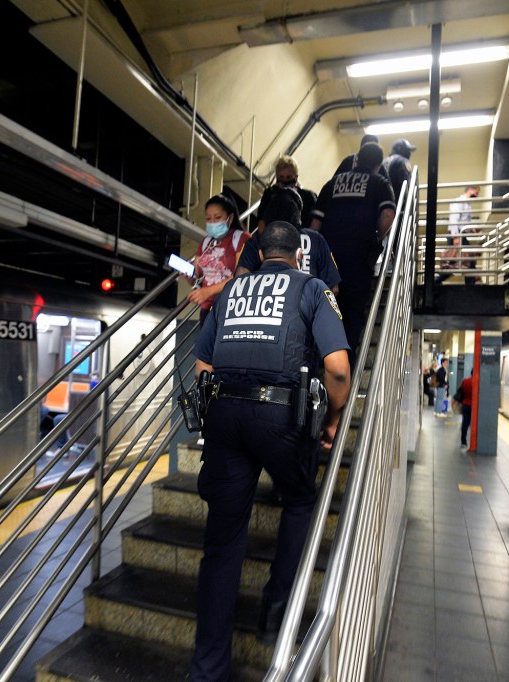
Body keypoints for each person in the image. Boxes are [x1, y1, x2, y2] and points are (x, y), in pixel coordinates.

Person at [191, 221, 350, 681]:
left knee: (221, 545)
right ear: (297, 255)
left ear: (258, 253)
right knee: (300, 501)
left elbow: (203, 364)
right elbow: (338, 370)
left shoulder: (232, 291)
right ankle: (275, 613)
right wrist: (334, 418)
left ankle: (207, 670)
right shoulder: (312, 288)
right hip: (282, 420)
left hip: (224, 415)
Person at [310, 142, 396, 357]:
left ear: (357, 160)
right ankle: (344, 364)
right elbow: (387, 215)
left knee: (324, 305)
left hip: (329, 257)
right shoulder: (380, 182)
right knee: (352, 311)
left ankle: (318, 359)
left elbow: (315, 224)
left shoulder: (332, 183)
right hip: (359, 255)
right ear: (378, 164)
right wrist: (376, 237)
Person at [236, 185, 342, 293]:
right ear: (298, 213)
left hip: (267, 306)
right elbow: (333, 288)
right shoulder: (316, 239)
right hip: (308, 305)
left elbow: (240, 279)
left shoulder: (259, 239)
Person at [189, 195, 250, 322]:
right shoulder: (205, 242)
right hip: (207, 309)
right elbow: (197, 275)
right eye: (208, 219)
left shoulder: (241, 239)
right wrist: (188, 274)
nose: (212, 222)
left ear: (230, 218)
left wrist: (208, 291)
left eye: (217, 218)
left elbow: (240, 276)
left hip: (231, 307)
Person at [255, 155, 319, 228]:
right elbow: (261, 220)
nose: (284, 181)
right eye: (281, 177)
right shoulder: (269, 194)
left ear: (296, 177)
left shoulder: (308, 197)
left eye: (289, 177)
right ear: (276, 176)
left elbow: (312, 225)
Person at [447, 185, 480, 284]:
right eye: (476, 193)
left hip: (462, 235)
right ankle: (435, 282)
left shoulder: (467, 204)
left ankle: (471, 285)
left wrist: (472, 230)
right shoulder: (460, 201)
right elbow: (454, 218)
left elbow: (464, 223)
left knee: (469, 261)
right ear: (470, 189)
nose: (477, 195)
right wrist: (456, 236)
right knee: (451, 263)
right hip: (458, 235)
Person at [382, 139, 416, 204]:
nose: (409, 153)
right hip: (397, 203)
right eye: (407, 150)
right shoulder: (403, 161)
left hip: (384, 202)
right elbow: (405, 182)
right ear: (400, 149)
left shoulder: (384, 161)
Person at [457, 373, 474, 448]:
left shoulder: (465, 381)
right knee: (474, 424)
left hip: (465, 405)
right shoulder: (478, 382)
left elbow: (460, 391)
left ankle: (463, 441)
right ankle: (474, 443)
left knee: (465, 423)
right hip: (474, 406)